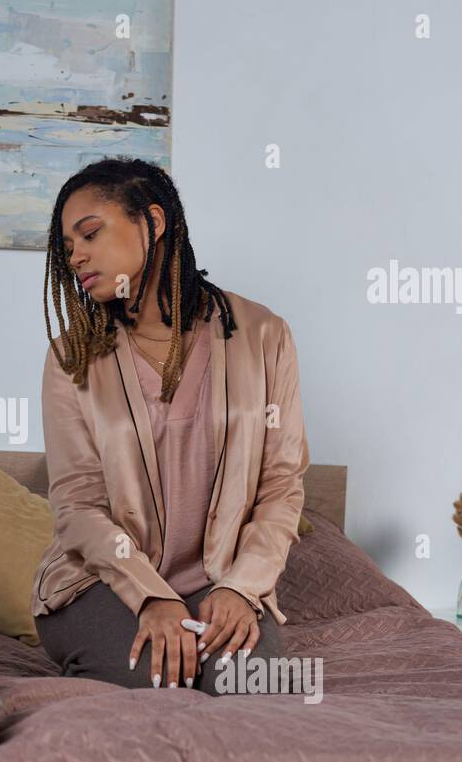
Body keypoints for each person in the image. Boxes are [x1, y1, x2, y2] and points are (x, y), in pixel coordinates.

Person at [31, 157, 310, 696]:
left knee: (255, 689)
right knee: (160, 683)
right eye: (68, 248)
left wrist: (241, 588)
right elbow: (78, 506)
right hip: (103, 583)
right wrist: (152, 597)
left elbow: (280, 487)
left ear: (153, 222)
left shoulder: (263, 336)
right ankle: (93, 650)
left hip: (223, 583)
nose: (77, 256)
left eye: (90, 233)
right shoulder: (72, 357)